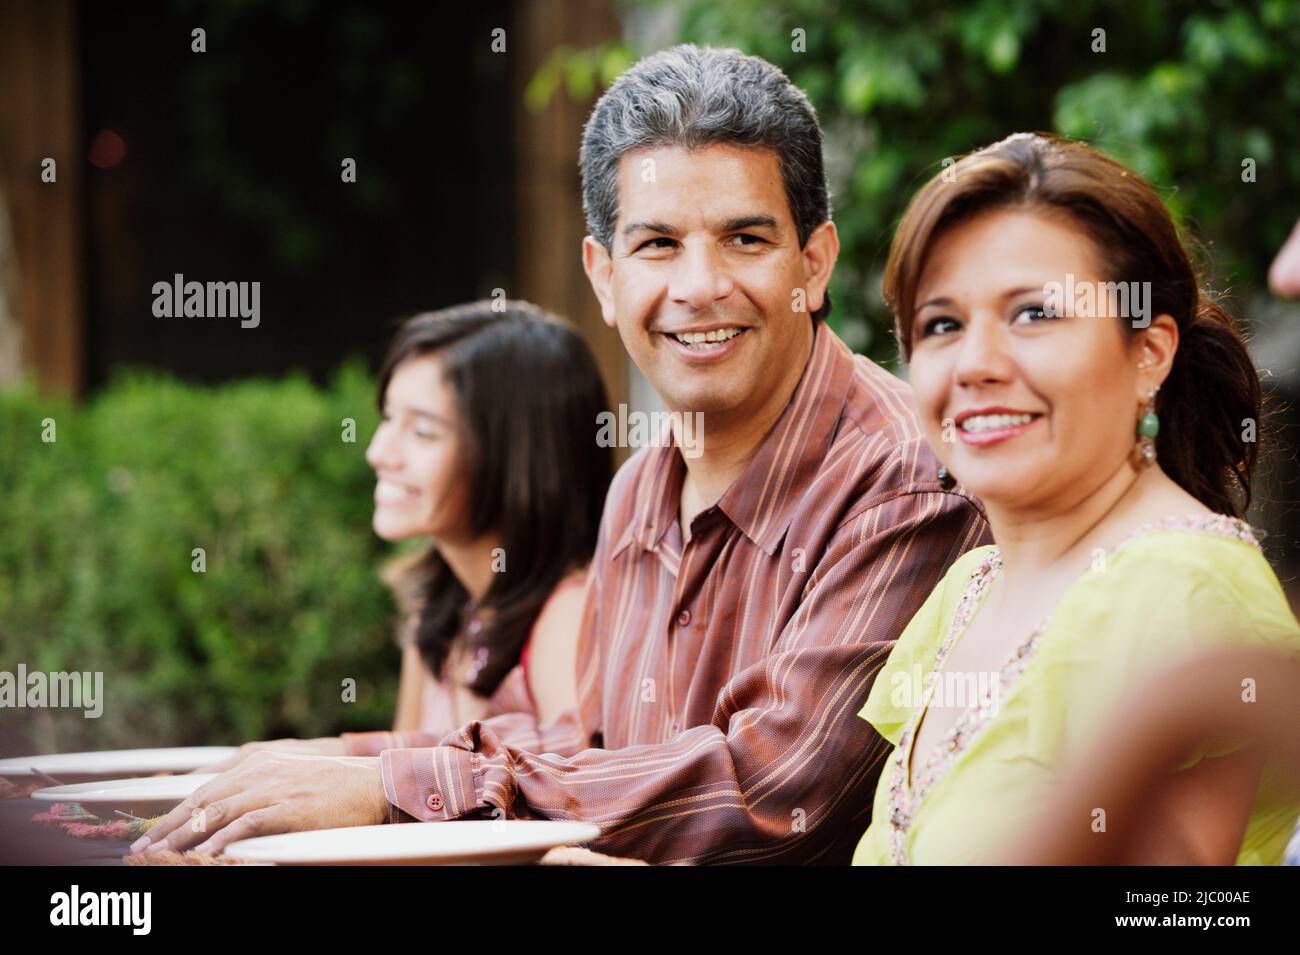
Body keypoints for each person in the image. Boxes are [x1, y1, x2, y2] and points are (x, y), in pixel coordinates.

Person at [130, 45, 987, 864]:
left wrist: (393, 790)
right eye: (657, 245)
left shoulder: (906, 478)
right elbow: (586, 748)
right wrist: (316, 766)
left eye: (745, 240)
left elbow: (770, 788)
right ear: (603, 278)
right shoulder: (639, 488)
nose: (698, 286)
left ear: (815, 260)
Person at [852, 132, 1300, 865]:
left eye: (1034, 314)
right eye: (942, 324)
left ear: (1148, 353)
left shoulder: (1186, 587)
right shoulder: (969, 588)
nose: (976, 364)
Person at [199, 301, 612, 774]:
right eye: (388, 418)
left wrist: (331, 756)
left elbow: (573, 787)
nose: (378, 452)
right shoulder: (438, 607)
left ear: (518, 458)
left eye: (422, 431)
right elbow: (397, 793)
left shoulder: (568, 613)